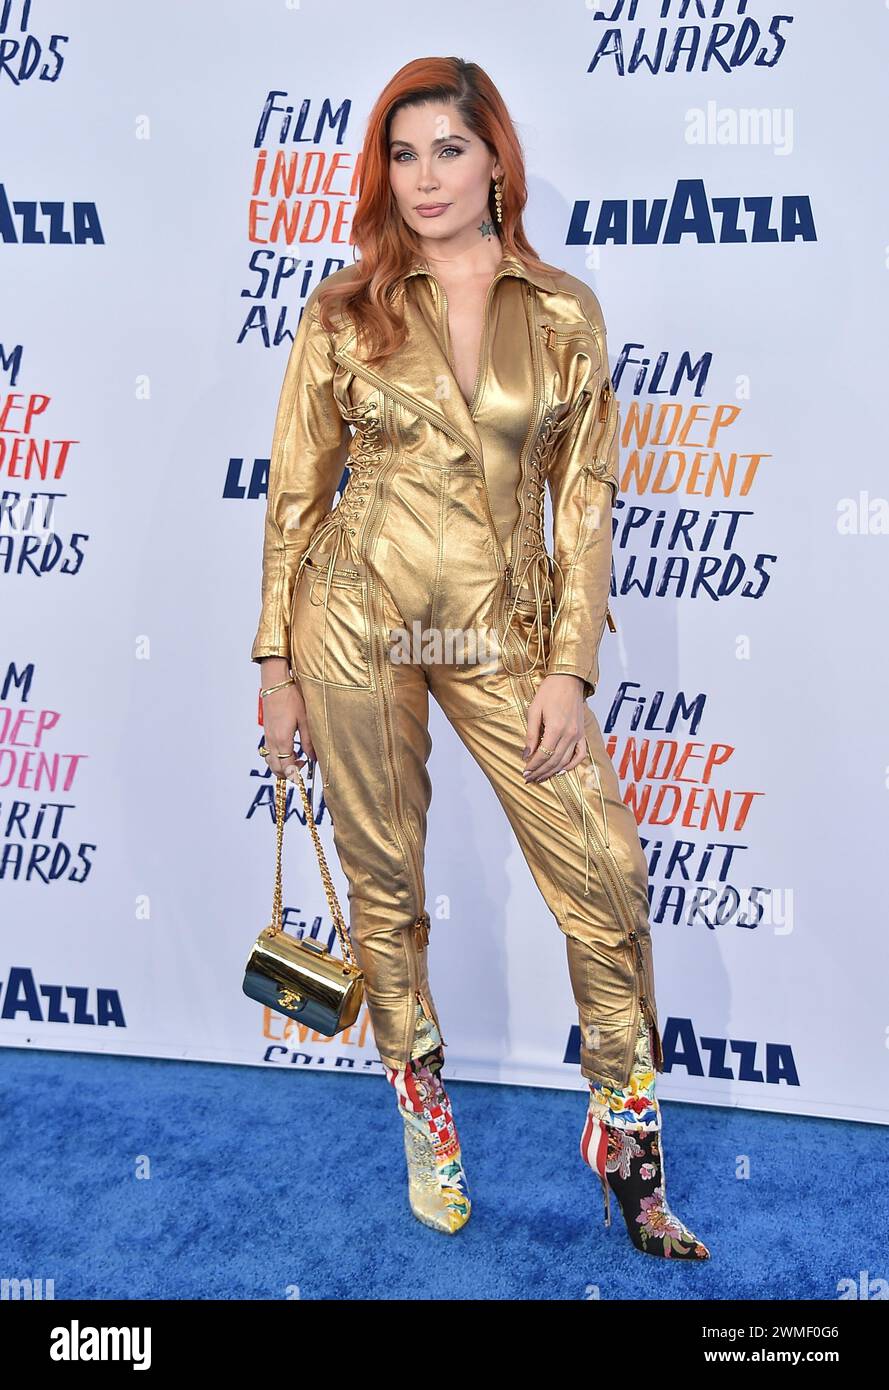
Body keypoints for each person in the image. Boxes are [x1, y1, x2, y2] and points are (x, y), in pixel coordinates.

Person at [251, 56, 710, 1259]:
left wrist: (568, 668)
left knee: (604, 873)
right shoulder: (342, 313)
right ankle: (422, 1112)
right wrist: (274, 666)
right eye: (401, 155)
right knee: (386, 884)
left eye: (447, 149)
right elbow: (295, 499)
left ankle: (626, 1133)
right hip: (356, 622)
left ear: (496, 158)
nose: (424, 177)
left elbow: (588, 502)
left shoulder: (562, 312)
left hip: (504, 632)